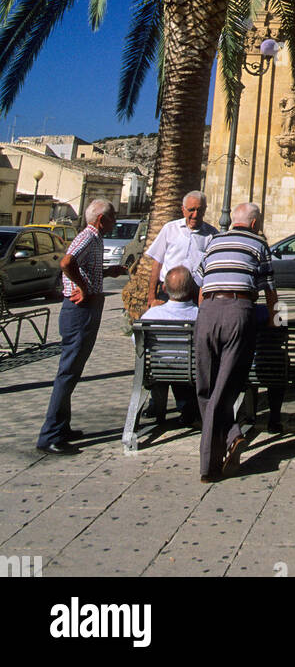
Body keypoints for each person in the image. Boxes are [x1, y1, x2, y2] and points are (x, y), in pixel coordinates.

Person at [194, 201, 276, 483]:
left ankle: (214, 457)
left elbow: (201, 282)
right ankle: (224, 447)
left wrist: (203, 312)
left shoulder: (216, 240)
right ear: (255, 224)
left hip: (207, 311)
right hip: (239, 311)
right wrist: (273, 318)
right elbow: (269, 289)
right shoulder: (259, 244)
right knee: (225, 387)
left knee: (205, 386)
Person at [36, 199, 126, 454]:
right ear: (101, 220)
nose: (115, 222)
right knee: (68, 371)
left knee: (74, 371)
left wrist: (108, 273)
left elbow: (84, 267)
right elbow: (67, 263)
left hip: (89, 308)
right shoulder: (88, 237)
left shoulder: (95, 238)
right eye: (112, 217)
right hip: (79, 312)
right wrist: (83, 288)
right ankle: (49, 434)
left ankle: (62, 425)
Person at [139, 265, 200, 425]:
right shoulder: (200, 314)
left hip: (159, 371)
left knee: (167, 363)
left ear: (164, 289)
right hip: (191, 372)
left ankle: (163, 412)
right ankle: (189, 411)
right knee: (186, 366)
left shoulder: (152, 315)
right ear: (191, 289)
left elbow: (137, 343)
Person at [143, 191, 217, 307]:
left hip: (195, 292)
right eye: (191, 210)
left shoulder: (212, 235)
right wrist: (151, 296)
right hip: (167, 290)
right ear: (183, 209)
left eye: (200, 210)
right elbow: (157, 263)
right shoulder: (170, 229)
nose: (195, 214)